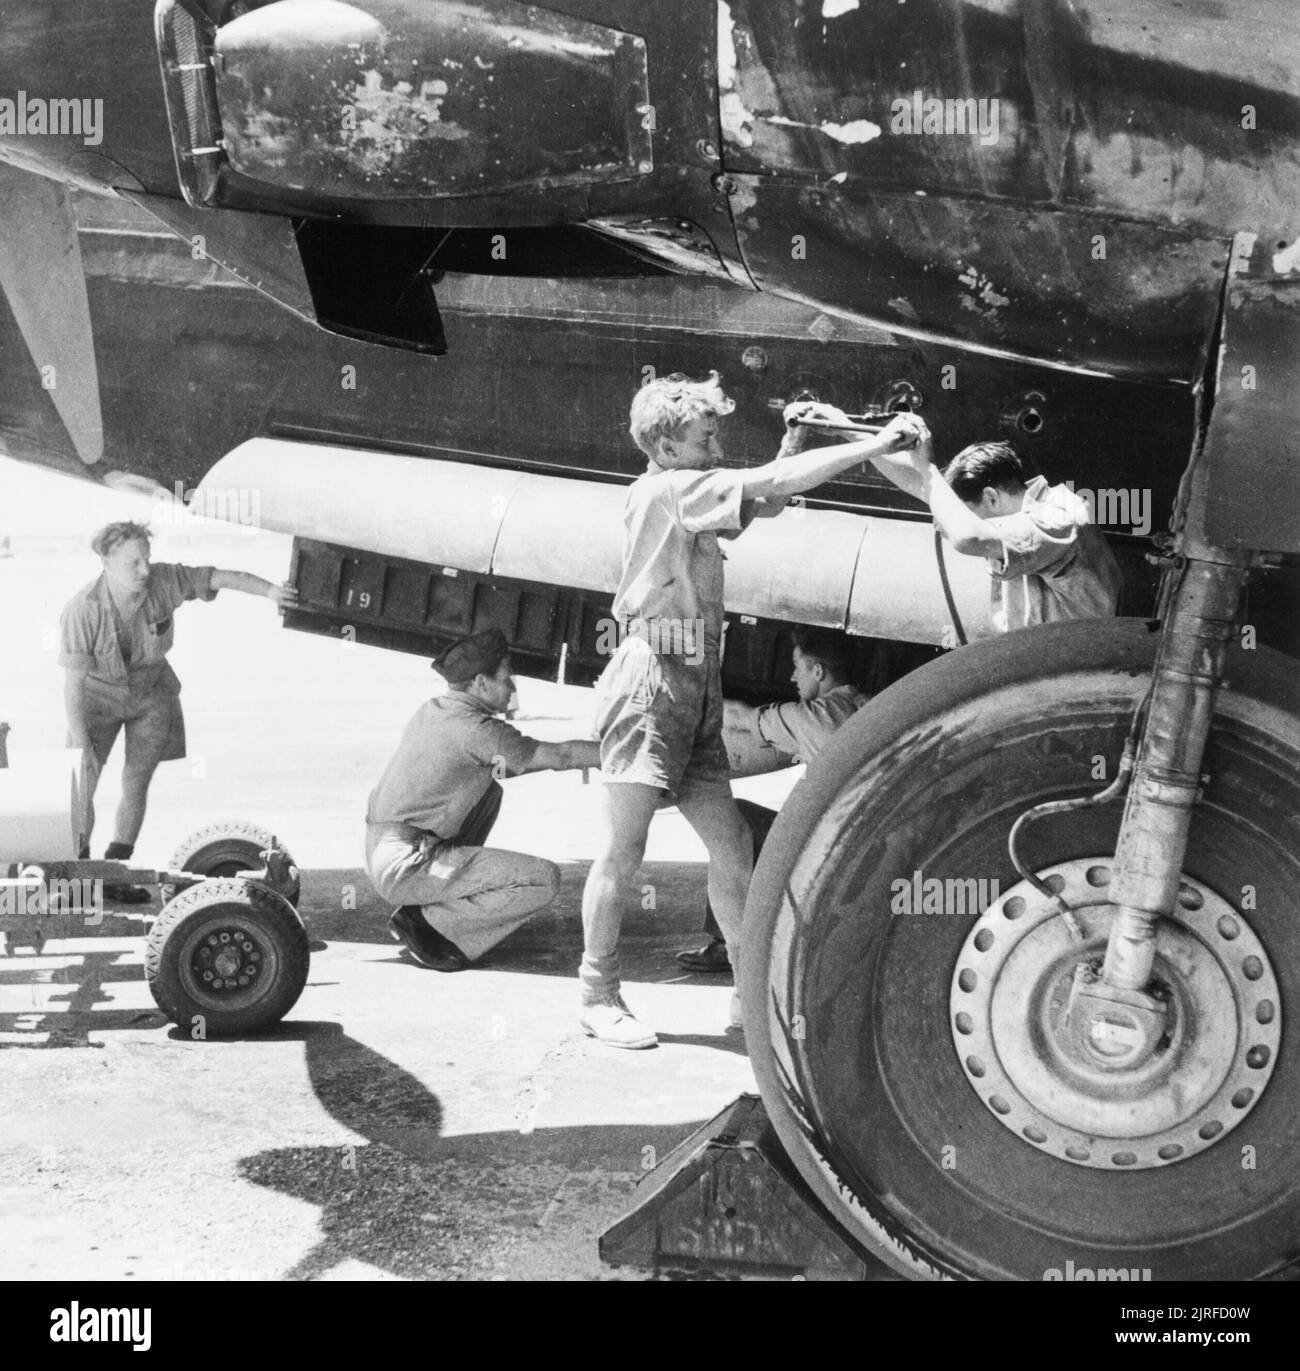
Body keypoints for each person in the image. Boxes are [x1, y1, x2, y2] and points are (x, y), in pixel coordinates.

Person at [578, 371, 921, 1049]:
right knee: (626, 849)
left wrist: (794, 437)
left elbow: (763, 496)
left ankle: (747, 992)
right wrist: (877, 443)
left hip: (693, 687)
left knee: (733, 845)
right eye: (707, 437)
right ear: (669, 447)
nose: (717, 446)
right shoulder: (669, 488)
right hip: (650, 682)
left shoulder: (685, 487)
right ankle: (597, 992)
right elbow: (765, 483)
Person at [59, 520, 298, 902]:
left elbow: (218, 577)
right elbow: (72, 685)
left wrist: (270, 590)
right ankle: (82, 874)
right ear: (105, 561)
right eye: (133, 563)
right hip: (95, 702)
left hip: (151, 695)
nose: (144, 570)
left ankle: (117, 871)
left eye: (147, 560)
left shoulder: (164, 580)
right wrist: (81, 741)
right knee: (80, 787)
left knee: (136, 782)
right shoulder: (81, 609)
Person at [365, 628, 599, 971]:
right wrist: (622, 753)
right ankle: (430, 928)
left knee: (491, 787)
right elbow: (560, 756)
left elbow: (512, 763)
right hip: (407, 863)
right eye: (507, 679)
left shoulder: (435, 710)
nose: (513, 689)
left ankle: (428, 903)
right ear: (480, 683)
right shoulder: (477, 730)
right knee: (543, 878)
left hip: (385, 850)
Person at [676, 626, 869, 974]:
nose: (792, 676)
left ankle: (728, 942)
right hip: (870, 838)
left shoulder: (808, 717)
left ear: (818, 672)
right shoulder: (870, 705)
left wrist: (691, 698)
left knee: (735, 822)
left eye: (798, 666)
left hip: (836, 850)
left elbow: (739, 719)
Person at [851, 418, 1121, 632]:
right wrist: (851, 433)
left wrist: (928, 466)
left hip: (1072, 673)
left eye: (969, 512)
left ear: (991, 498)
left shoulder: (1056, 516)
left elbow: (968, 537)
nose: (943, 526)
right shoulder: (1036, 510)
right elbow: (923, 484)